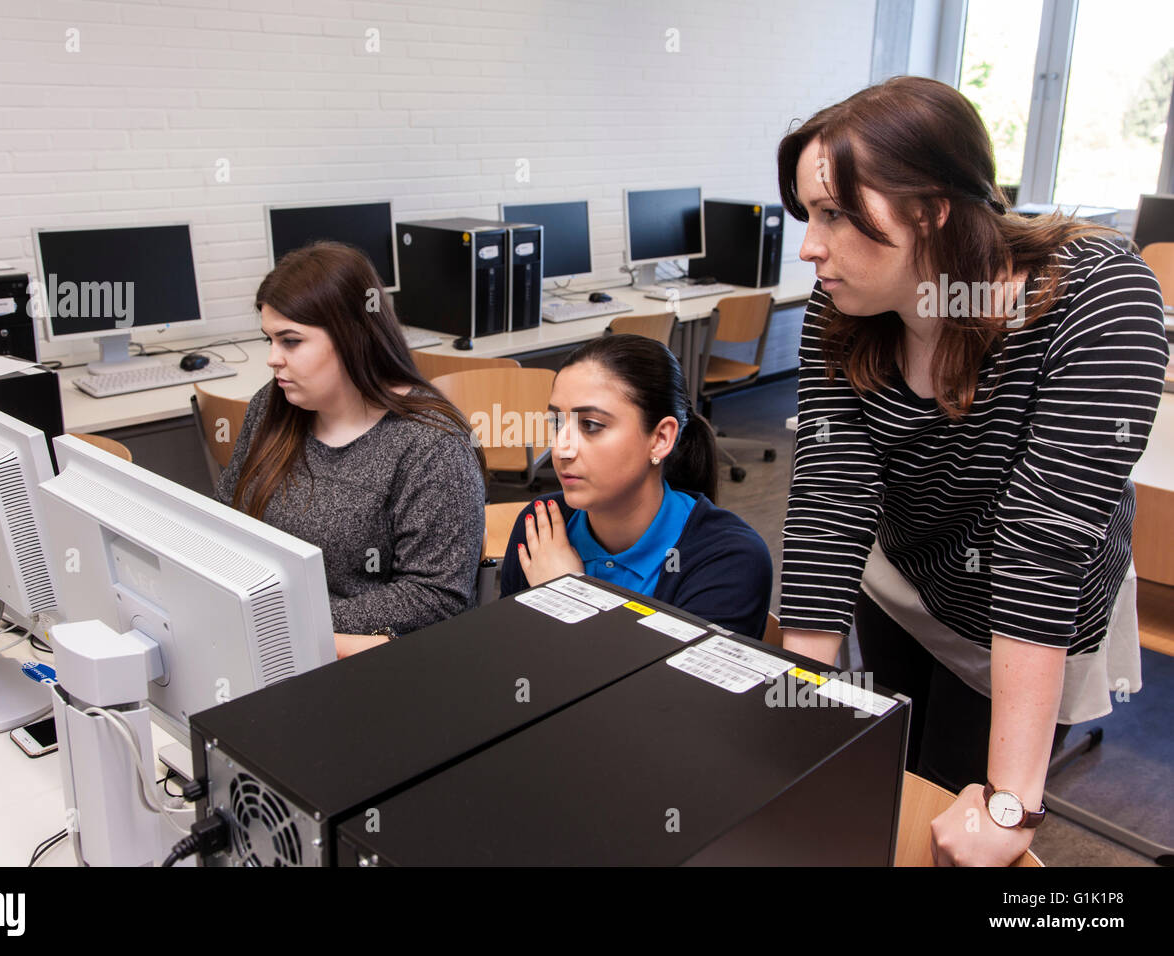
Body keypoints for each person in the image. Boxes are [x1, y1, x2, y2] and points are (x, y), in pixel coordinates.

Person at [775, 76, 1169, 865]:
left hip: (1030, 614)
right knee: (899, 778)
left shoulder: (1099, 295)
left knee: (964, 816)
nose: (810, 247)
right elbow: (830, 497)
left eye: (833, 215)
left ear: (930, 208)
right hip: (907, 574)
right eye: (807, 215)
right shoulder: (843, 303)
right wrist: (795, 719)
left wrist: (1011, 807)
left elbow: (1040, 542)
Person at [218, 241, 486, 658]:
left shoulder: (431, 446)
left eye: (291, 341)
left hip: (370, 667)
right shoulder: (272, 407)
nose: (272, 359)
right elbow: (226, 518)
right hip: (265, 637)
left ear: (351, 336)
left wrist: (294, 619)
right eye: (269, 339)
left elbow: (435, 596)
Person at [499, 334, 772, 639]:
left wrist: (570, 597)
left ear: (660, 439)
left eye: (590, 425)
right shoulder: (540, 527)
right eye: (558, 423)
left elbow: (664, 688)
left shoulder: (729, 560)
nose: (562, 449)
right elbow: (512, 660)